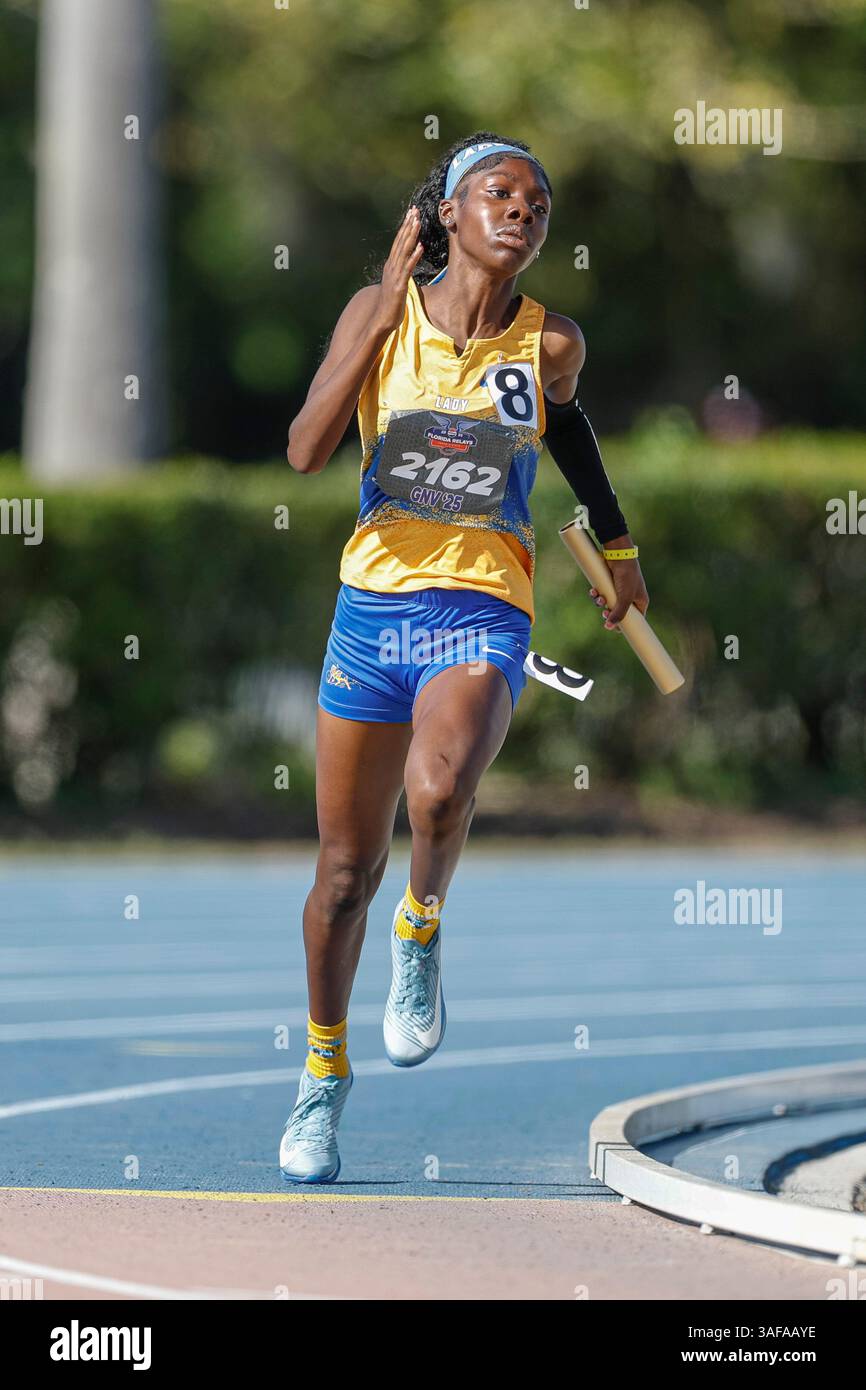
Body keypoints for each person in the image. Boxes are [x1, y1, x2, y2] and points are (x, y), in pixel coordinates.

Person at [280, 133, 649, 1182]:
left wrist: (614, 545)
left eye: (537, 200)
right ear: (445, 212)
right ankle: (320, 1072)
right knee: (340, 873)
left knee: (439, 793)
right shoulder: (374, 316)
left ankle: (422, 928)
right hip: (369, 608)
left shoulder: (550, 342)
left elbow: (567, 430)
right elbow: (306, 449)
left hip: (480, 603)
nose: (522, 210)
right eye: (499, 193)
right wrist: (382, 307)